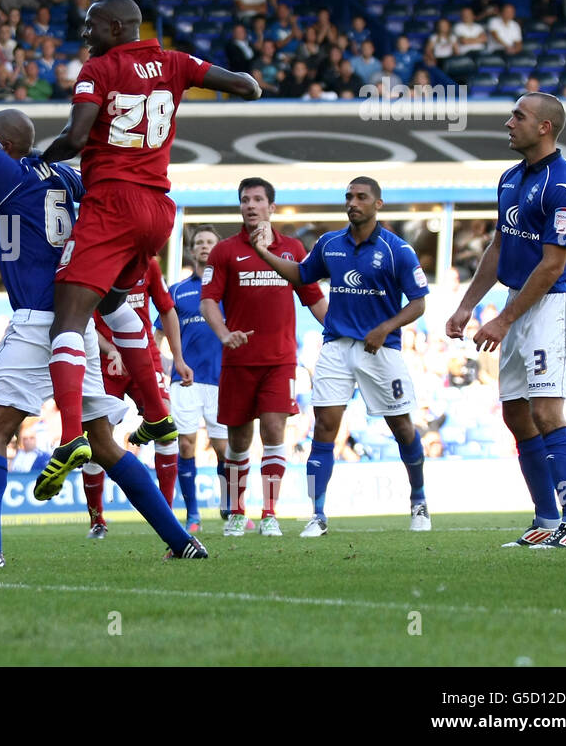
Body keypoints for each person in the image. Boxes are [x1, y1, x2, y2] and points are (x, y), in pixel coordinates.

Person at [0, 29, 207, 567]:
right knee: (103, 443)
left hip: (36, 321)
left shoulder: (7, 175)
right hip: (76, 328)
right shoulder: (70, 179)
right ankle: (181, 540)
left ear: (2, 146)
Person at [39, 0, 259, 499]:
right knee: (117, 304)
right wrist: (248, 84)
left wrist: (39, 159)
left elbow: (75, 138)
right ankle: (158, 416)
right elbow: (244, 85)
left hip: (112, 202)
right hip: (158, 210)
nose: (85, 36)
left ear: (117, 27)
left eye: (92, 27)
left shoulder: (99, 69)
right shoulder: (177, 63)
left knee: (67, 319)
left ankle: (71, 436)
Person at [446, 93, 566, 548]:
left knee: (547, 411)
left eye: (518, 116)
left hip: (550, 304)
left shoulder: (564, 186)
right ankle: (546, 520)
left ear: (545, 127)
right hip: (516, 300)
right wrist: (468, 304)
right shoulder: (511, 178)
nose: (509, 123)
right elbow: (499, 246)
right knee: (515, 412)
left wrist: (505, 320)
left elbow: (552, 265)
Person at [249, 178, 431, 536]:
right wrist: (265, 255)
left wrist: (385, 327)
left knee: (402, 427)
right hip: (335, 347)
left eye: (361, 197)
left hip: (381, 349)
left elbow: (419, 303)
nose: (353, 202)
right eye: (349, 196)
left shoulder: (398, 250)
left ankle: (419, 500)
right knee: (325, 429)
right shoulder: (330, 243)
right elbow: (302, 274)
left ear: (378, 204)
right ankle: (317, 515)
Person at [200, 178, 327, 536]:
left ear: (271, 207)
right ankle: (237, 512)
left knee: (274, 432)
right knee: (238, 442)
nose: (251, 205)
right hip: (238, 361)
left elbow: (313, 297)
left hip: (280, 360)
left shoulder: (292, 249)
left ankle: (269, 513)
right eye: (245, 200)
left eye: (258, 200)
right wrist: (225, 334)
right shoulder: (224, 251)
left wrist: (340, 328)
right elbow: (208, 300)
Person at [84, 256, 183, 539]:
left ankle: (165, 510)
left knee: (166, 426)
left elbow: (167, 309)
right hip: (104, 362)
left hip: (144, 357)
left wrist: (177, 357)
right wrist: (110, 350)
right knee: (98, 440)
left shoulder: (148, 264)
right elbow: (86, 322)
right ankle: (97, 519)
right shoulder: (96, 261)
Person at [160, 226, 227, 534]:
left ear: (218, 248)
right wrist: (166, 366)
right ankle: (193, 515)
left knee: (224, 448)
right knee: (186, 445)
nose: (204, 247)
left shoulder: (230, 287)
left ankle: (230, 507)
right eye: (199, 242)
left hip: (222, 379)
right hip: (184, 379)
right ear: (191, 251)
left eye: (210, 242)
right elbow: (158, 333)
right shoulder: (176, 290)